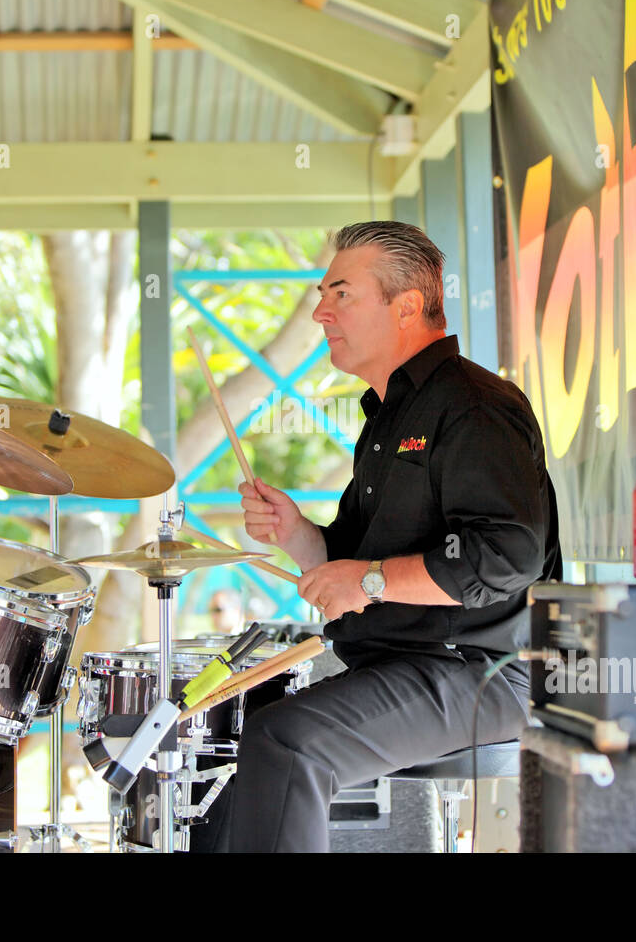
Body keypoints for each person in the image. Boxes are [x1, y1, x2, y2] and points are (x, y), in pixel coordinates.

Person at [228, 221, 562, 852]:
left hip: (485, 671)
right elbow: (350, 564)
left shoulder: (473, 404)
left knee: (285, 739)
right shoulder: (387, 416)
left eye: (341, 294)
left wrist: (372, 581)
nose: (321, 312)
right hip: (409, 664)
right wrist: (297, 534)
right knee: (250, 754)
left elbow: (509, 553)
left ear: (407, 306)